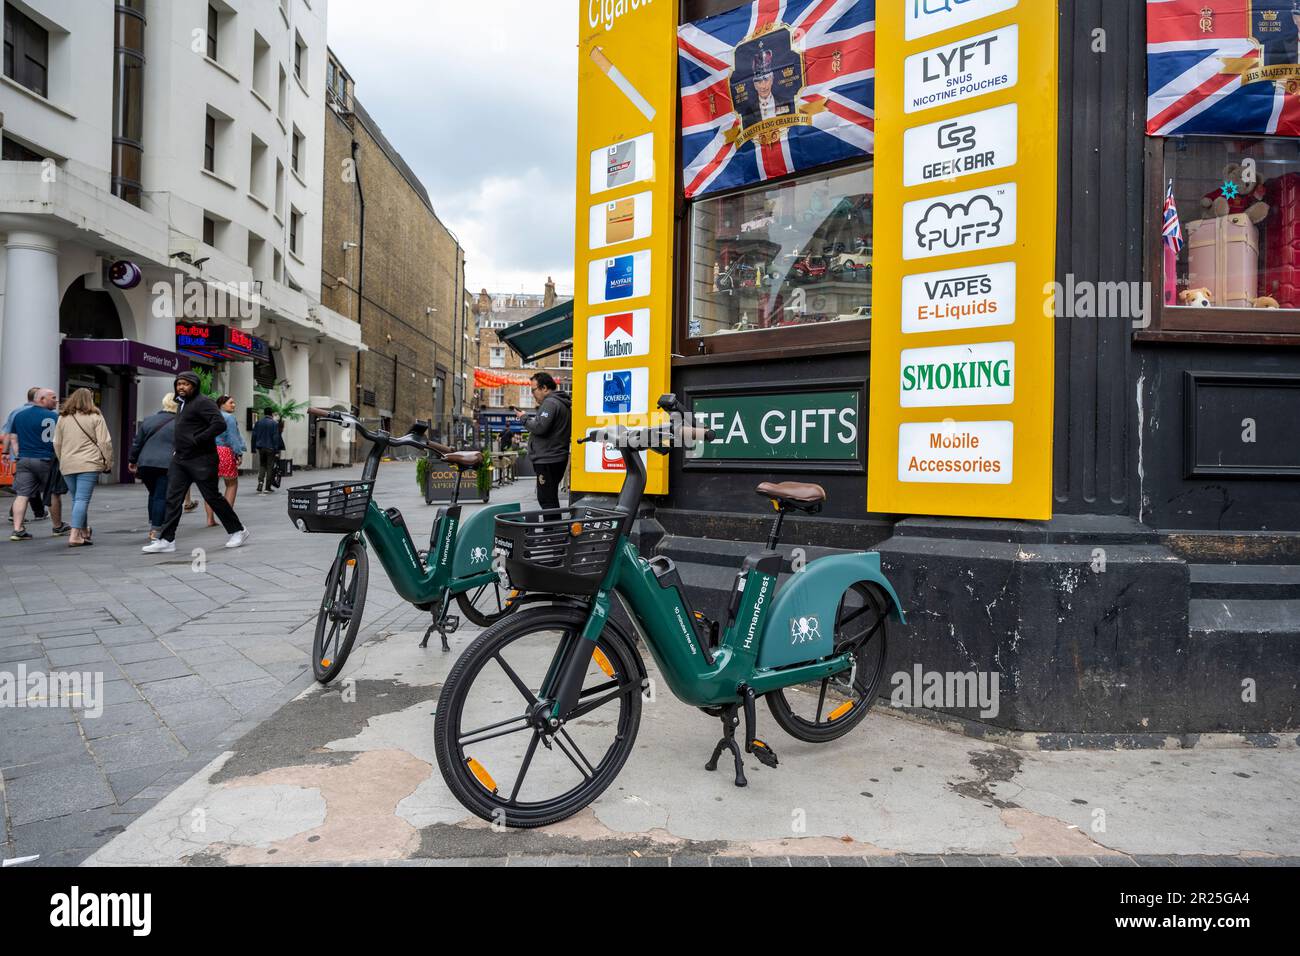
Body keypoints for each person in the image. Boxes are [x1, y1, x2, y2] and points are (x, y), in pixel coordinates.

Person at [143, 371, 249, 554]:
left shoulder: (203, 402)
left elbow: (219, 424)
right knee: (172, 498)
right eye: (178, 384)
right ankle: (167, 540)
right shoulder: (182, 404)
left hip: (202, 459)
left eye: (185, 384)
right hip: (180, 459)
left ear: (194, 385)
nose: (181, 387)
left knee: (212, 497)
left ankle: (238, 531)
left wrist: (197, 439)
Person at [52, 388, 113, 549]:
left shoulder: (63, 418)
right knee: (81, 499)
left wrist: (62, 459)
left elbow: (56, 443)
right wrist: (108, 462)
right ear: (90, 399)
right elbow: (104, 442)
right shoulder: (95, 416)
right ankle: (74, 535)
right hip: (89, 462)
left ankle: (84, 531)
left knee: (77, 499)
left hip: (67, 463)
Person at [7, 388, 69, 540]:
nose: (56, 400)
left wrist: (19, 455)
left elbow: (13, 438)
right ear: (41, 399)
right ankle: (57, 526)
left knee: (22, 495)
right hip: (46, 459)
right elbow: (61, 440)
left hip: (24, 459)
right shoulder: (55, 417)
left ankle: (18, 529)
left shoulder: (19, 416)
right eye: (53, 398)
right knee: (53, 492)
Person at [516, 372, 571, 512]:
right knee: (550, 497)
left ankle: (551, 531)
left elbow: (540, 427)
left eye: (533, 390)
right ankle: (552, 530)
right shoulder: (561, 403)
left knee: (546, 499)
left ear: (544, 388)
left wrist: (524, 418)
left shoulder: (550, 403)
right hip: (556, 457)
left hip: (548, 459)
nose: (532, 394)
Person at [128, 393, 178, 540]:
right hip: (166, 464)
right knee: (161, 496)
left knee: (154, 494)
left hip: (146, 464)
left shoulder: (149, 420)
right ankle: (156, 529)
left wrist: (132, 460)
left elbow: (138, 443)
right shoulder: (180, 422)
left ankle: (153, 522)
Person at [3, 386, 49, 523]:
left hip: (20, 456)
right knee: (29, 487)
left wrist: (6, 452)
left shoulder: (16, 412)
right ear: (39, 398)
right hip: (39, 455)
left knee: (27, 484)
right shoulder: (43, 413)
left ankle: (38, 512)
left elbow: (8, 434)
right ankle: (23, 513)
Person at [206, 394, 245, 526]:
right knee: (231, 484)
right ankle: (227, 517)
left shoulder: (210, 416)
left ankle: (210, 519)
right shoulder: (229, 418)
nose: (234, 405)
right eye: (231, 403)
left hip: (209, 452)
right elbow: (232, 438)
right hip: (224, 452)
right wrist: (238, 453)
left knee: (210, 488)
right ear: (221, 405)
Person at [252, 408, 284, 494]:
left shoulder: (258, 423)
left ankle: (260, 483)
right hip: (271, 448)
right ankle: (267, 487)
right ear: (272, 414)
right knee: (270, 466)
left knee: (262, 465)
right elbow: (275, 437)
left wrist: (253, 448)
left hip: (261, 448)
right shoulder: (274, 424)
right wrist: (277, 451)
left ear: (264, 413)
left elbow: (254, 435)